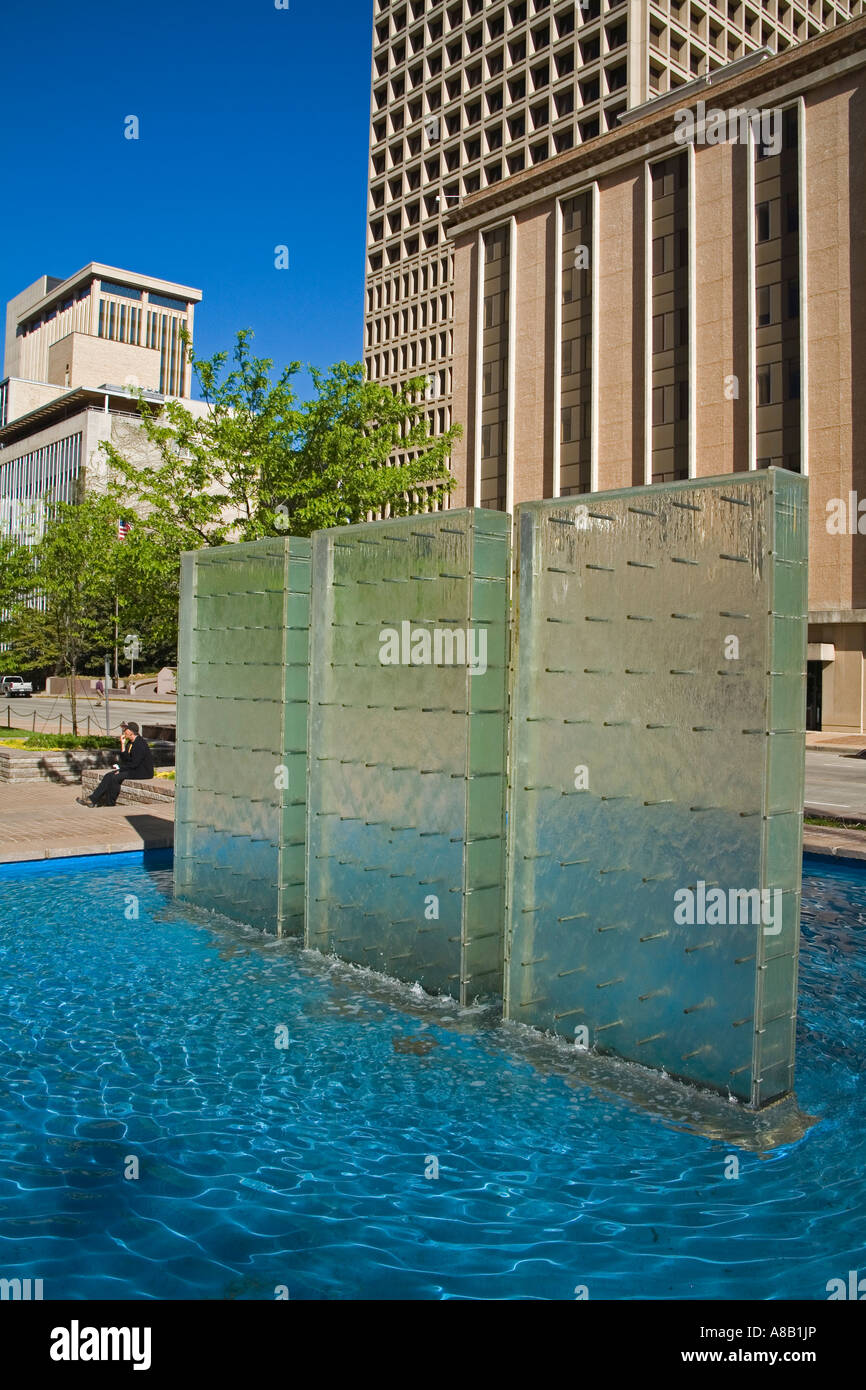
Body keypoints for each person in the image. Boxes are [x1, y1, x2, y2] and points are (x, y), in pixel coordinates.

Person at [78, 721, 155, 808]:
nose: (124, 731)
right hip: (134, 769)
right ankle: (92, 800)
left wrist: (121, 769)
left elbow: (135, 764)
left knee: (115, 777)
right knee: (108, 775)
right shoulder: (130, 742)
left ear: (131, 732)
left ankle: (110, 804)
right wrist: (122, 744)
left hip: (142, 772)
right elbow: (125, 759)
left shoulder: (140, 744)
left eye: (126, 729)